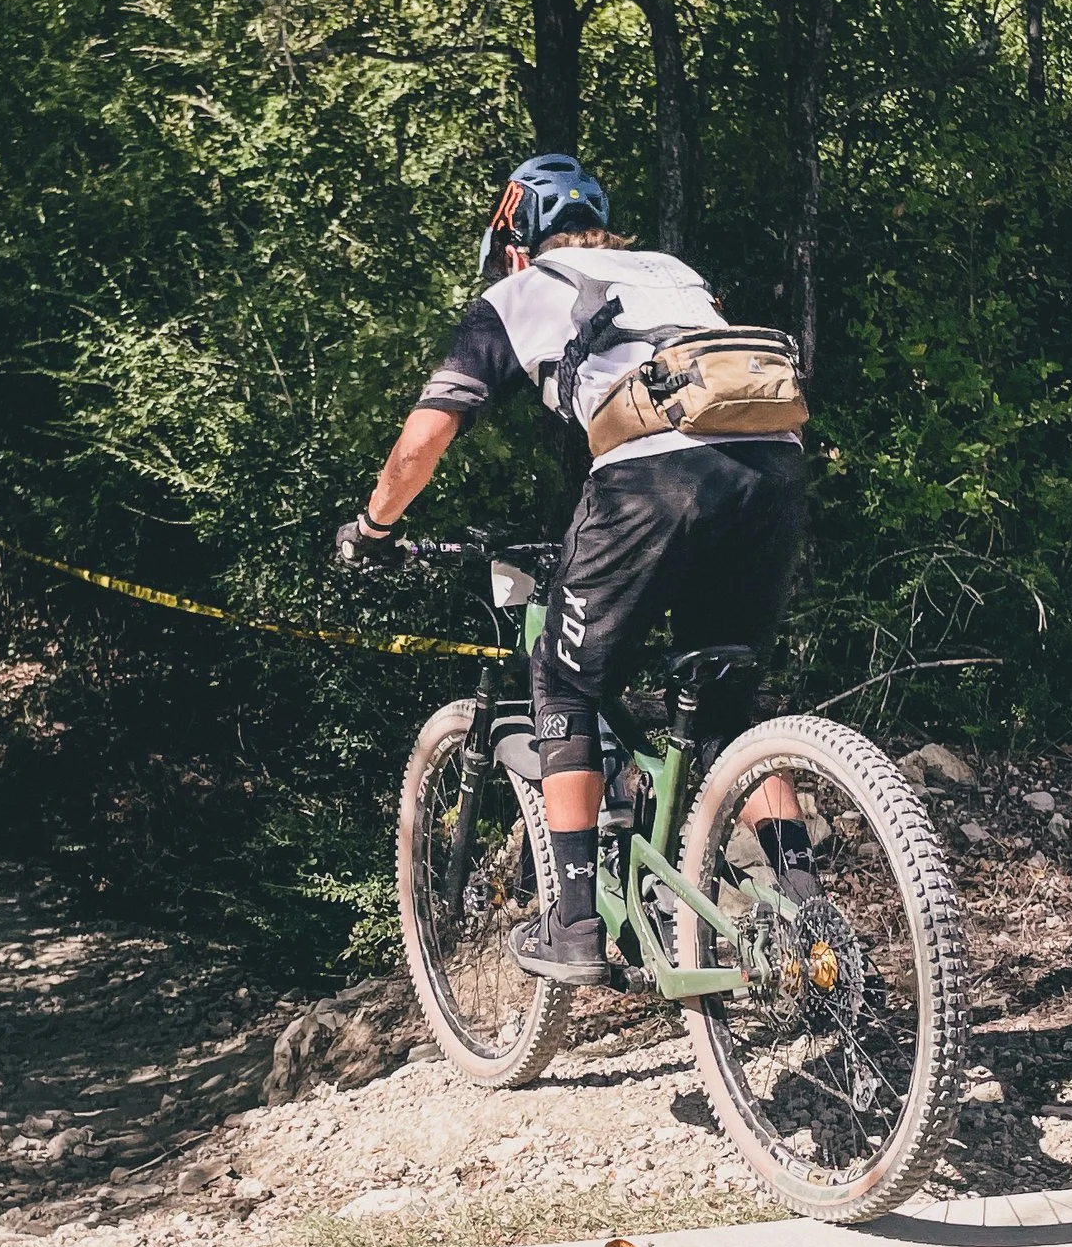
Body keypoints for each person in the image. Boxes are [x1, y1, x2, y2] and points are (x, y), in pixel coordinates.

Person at [335, 154, 811, 983]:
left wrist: (372, 529)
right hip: (775, 469)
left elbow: (424, 439)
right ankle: (811, 918)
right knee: (728, 703)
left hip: (654, 477)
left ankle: (576, 925)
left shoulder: (519, 290)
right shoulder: (673, 273)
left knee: (561, 680)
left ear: (514, 244)